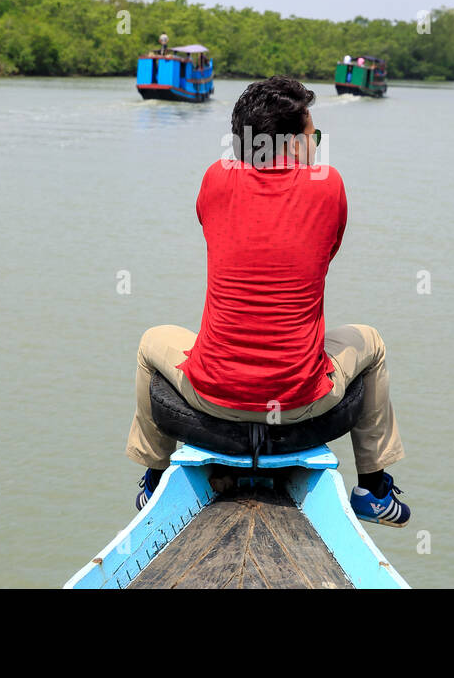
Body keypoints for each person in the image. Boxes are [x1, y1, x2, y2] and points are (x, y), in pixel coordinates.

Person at [125, 76, 409, 527]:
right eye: (312, 136)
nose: (316, 146)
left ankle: (153, 479)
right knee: (370, 342)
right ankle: (373, 489)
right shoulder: (328, 186)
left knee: (150, 341)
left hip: (212, 396)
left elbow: (211, 222)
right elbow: (327, 252)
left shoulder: (215, 180)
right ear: (294, 143)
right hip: (299, 400)